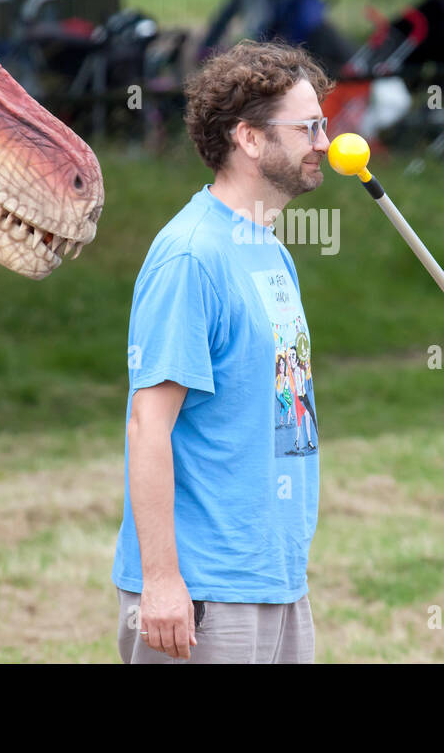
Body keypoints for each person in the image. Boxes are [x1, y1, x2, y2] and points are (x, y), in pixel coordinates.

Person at [112, 39, 333, 663]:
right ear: (250, 138)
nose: (325, 141)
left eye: (324, 124)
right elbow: (147, 424)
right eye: (307, 126)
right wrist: (160, 582)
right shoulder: (191, 257)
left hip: (275, 579)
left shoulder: (270, 248)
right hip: (204, 591)